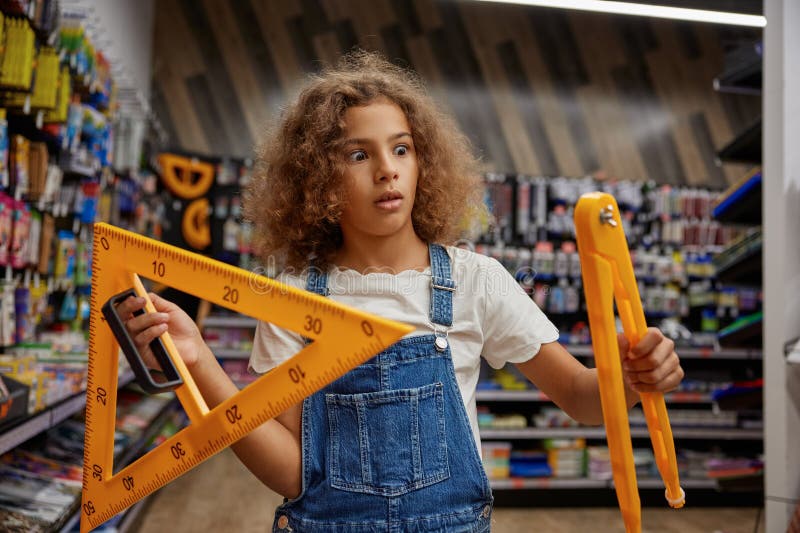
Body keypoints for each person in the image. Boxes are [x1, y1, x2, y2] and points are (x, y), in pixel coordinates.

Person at [118, 50, 684, 532]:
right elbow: (291, 473)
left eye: (402, 148)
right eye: (357, 154)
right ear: (319, 180)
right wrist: (198, 361)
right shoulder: (293, 297)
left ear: (422, 162)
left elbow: (584, 400)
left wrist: (632, 379)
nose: (387, 170)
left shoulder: (475, 281)